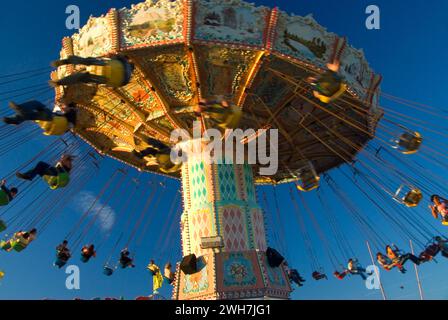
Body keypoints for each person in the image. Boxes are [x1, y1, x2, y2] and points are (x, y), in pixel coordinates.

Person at [50, 55, 134, 88]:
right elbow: (115, 85)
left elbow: (115, 57)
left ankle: (66, 61)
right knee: (81, 77)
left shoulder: (124, 61)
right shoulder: (126, 80)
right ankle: (59, 83)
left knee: (87, 60)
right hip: (105, 78)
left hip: (107, 65)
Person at [3, 100, 77, 136]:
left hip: (52, 120)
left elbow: (71, 124)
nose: (64, 108)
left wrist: (68, 127)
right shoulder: (65, 115)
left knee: (36, 104)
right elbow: (70, 125)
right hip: (50, 123)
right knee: (28, 115)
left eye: (66, 107)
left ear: (70, 107)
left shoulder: (72, 112)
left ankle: (20, 110)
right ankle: (16, 119)